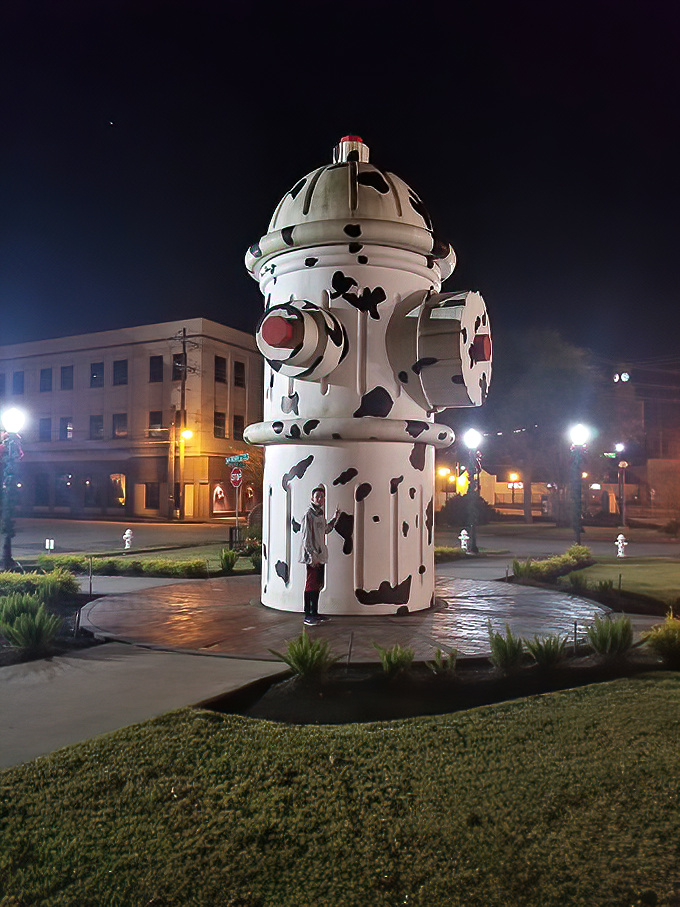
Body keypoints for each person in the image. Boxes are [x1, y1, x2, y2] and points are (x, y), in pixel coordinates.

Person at [299, 486, 339, 625]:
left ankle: (315, 612)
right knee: (310, 584)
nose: (320, 499)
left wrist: (334, 519)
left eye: (322, 497)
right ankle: (307, 614)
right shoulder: (308, 515)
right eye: (318, 497)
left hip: (320, 554)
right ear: (312, 498)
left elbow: (325, 530)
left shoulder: (320, 514)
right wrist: (312, 555)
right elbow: (306, 538)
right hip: (313, 556)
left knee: (318, 584)